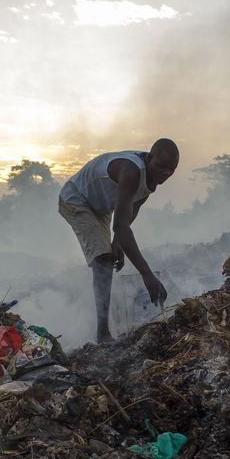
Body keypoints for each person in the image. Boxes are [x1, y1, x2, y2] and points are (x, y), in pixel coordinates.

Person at [58, 138, 180, 343]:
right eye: (161, 167)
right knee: (103, 262)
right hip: (77, 199)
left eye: (171, 170)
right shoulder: (131, 171)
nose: (165, 173)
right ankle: (103, 334)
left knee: (109, 255)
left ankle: (105, 329)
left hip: (101, 207)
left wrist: (117, 244)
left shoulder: (151, 179)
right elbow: (120, 226)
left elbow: (131, 212)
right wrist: (146, 274)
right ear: (150, 159)